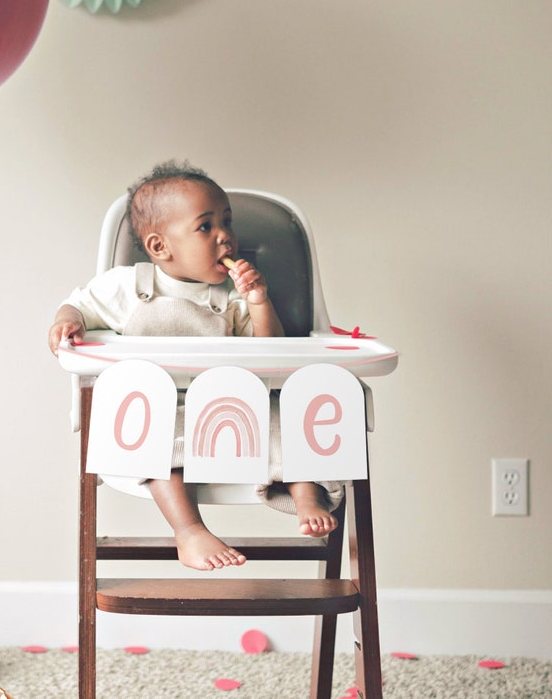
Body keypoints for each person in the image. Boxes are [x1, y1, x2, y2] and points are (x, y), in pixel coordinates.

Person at [48, 160, 341, 571]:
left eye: (227, 223)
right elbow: (77, 305)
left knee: (288, 418)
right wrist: (68, 322)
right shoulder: (127, 286)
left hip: (232, 408)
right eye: (206, 227)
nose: (225, 236)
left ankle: (305, 492)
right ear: (159, 247)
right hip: (163, 410)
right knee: (154, 445)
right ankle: (188, 530)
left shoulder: (231, 295)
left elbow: (271, 350)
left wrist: (258, 302)